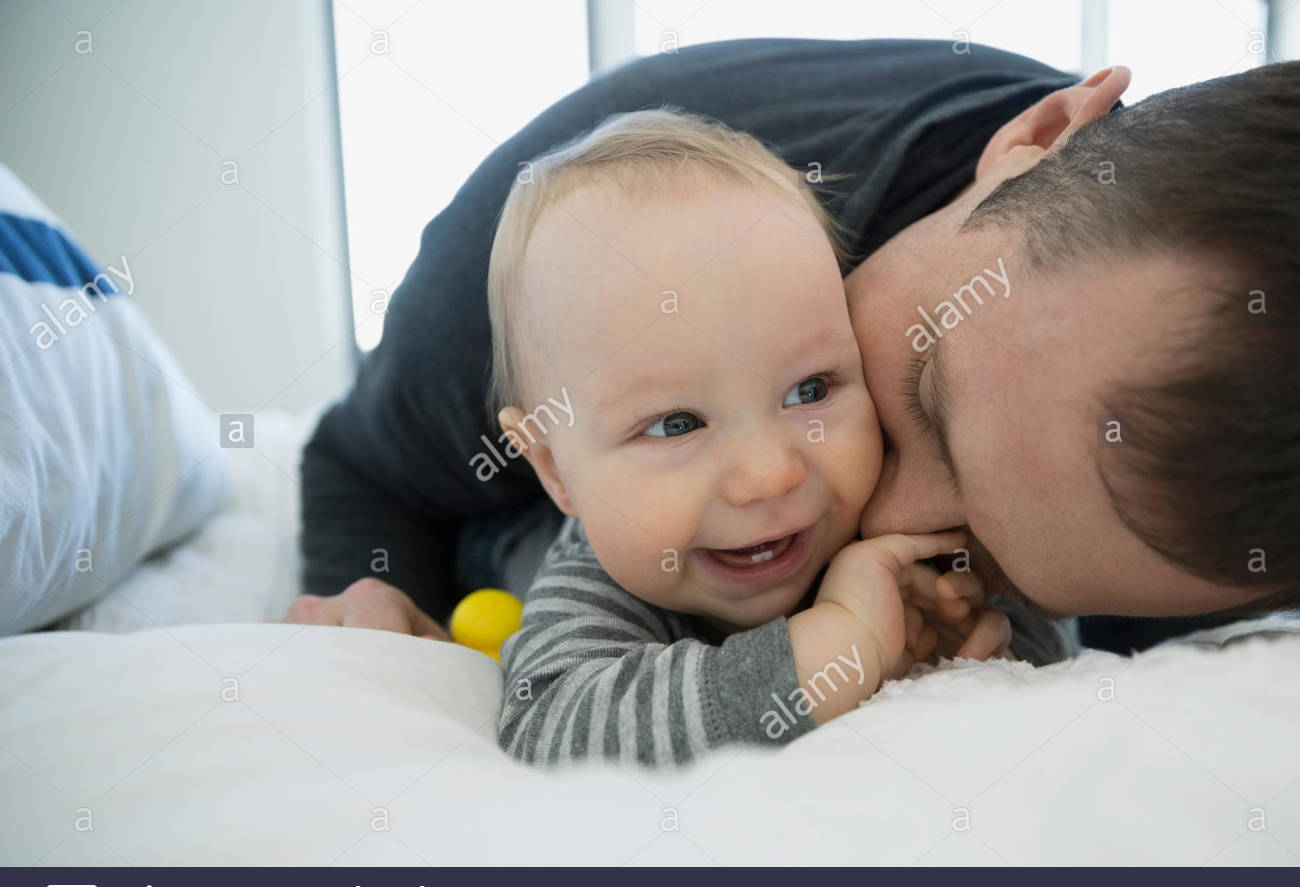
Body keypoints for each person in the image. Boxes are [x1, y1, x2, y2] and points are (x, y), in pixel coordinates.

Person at [287, 38, 1299, 652]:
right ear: (1037, 138)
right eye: (920, 399)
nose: (869, 513)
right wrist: (387, 601)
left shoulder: (1220, 541)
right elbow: (365, 466)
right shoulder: (584, 230)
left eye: (982, 561)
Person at [483, 108, 1072, 765]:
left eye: (810, 391)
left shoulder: (890, 518)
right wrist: (839, 644)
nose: (772, 474)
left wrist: (972, 642)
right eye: (677, 424)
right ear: (556, 471)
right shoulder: (601, 578)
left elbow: (1045, 634)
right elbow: (553, 728)